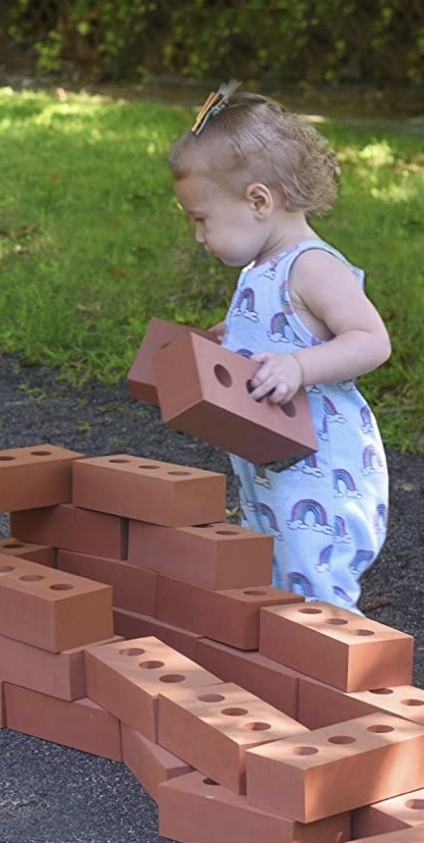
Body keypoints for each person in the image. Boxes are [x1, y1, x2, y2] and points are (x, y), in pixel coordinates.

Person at [167, 87, 391, 613]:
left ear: (259, 202)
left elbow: (371, 340)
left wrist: (297, 364)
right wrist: (233, 338)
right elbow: (277, 327)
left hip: (324, 467)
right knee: (273, 568)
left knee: (316, 582)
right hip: (276, 463)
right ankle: (287, 664)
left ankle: (339, 674)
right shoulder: (260, 267)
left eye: (201, 219)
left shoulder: (312, 266)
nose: (198, 235)